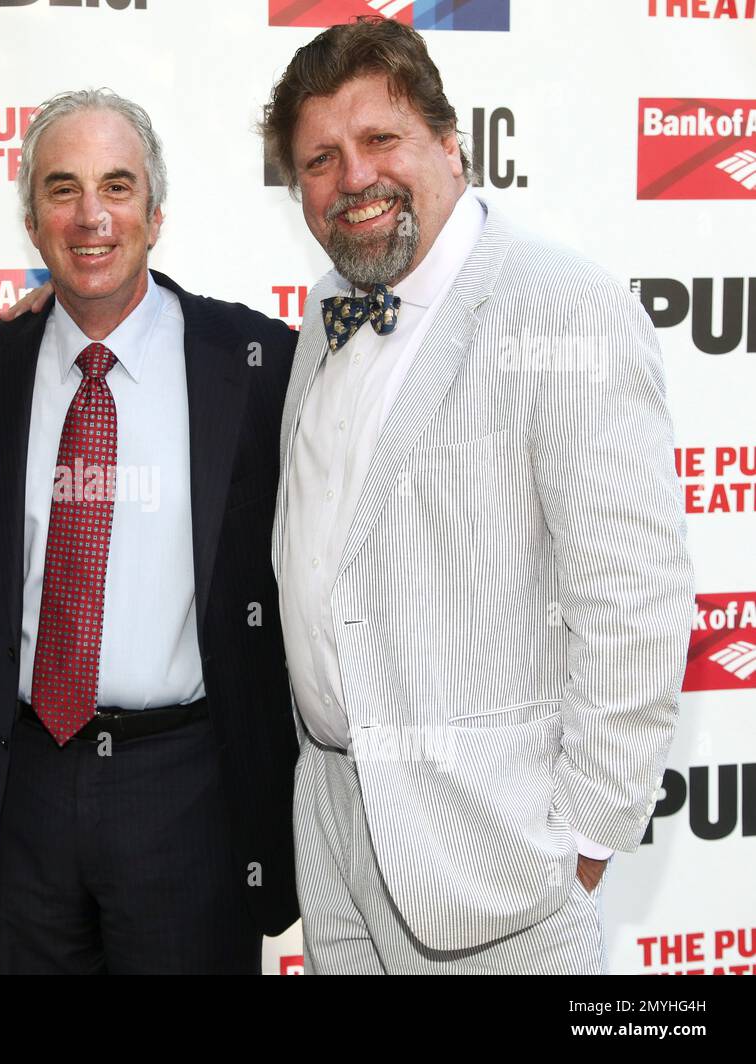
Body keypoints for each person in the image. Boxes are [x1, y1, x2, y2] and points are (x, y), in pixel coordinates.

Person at [261, 18, 693, 974]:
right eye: (321, 159)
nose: (354, 177)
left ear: (451, 144)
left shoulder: (563, 307)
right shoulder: (324, 317)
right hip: (332, 829)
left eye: (381, 139)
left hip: (492, 858)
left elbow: (634, 601)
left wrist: (584, 843)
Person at [0, 89, 299, 974]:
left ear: (156, 213)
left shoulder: (256, 361)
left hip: (190, 793)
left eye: (117, 186)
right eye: (62, 189)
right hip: (25, 788)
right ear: (32, 223)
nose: (92, 216)